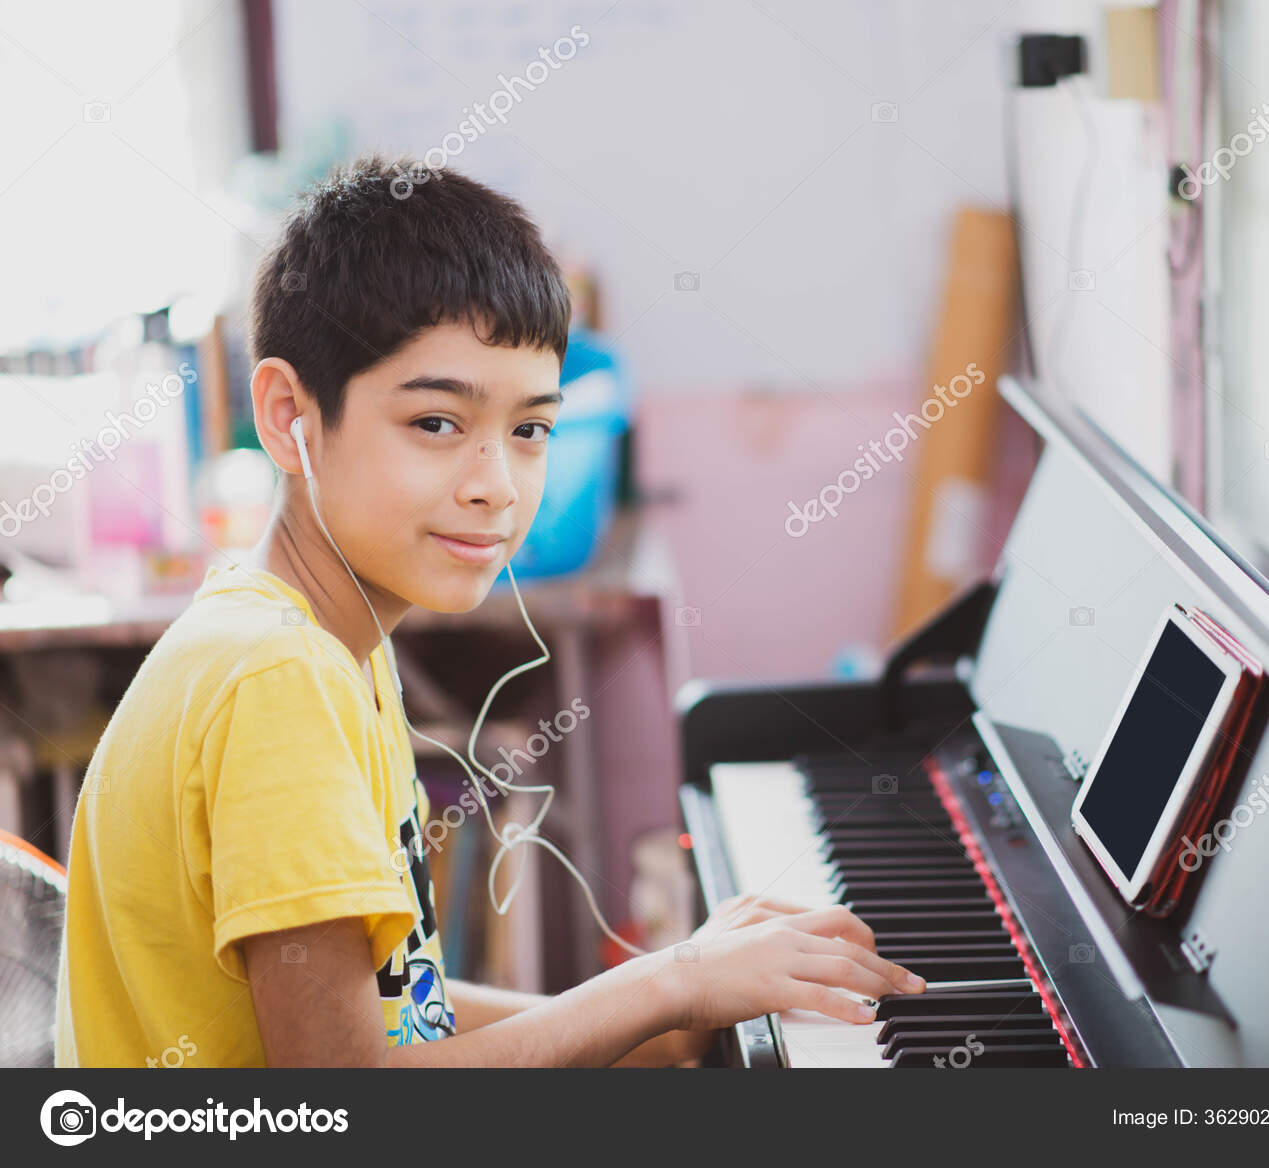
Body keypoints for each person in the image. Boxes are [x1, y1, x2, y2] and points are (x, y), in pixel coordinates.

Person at [55, 154, 923, 1068]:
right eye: (437, 423)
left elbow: (401, 1009)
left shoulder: (322, 645)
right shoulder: (279, 679)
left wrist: (672, 1001)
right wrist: (667, 986)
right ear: (287, 416)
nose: (497, 488)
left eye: (529, 430)